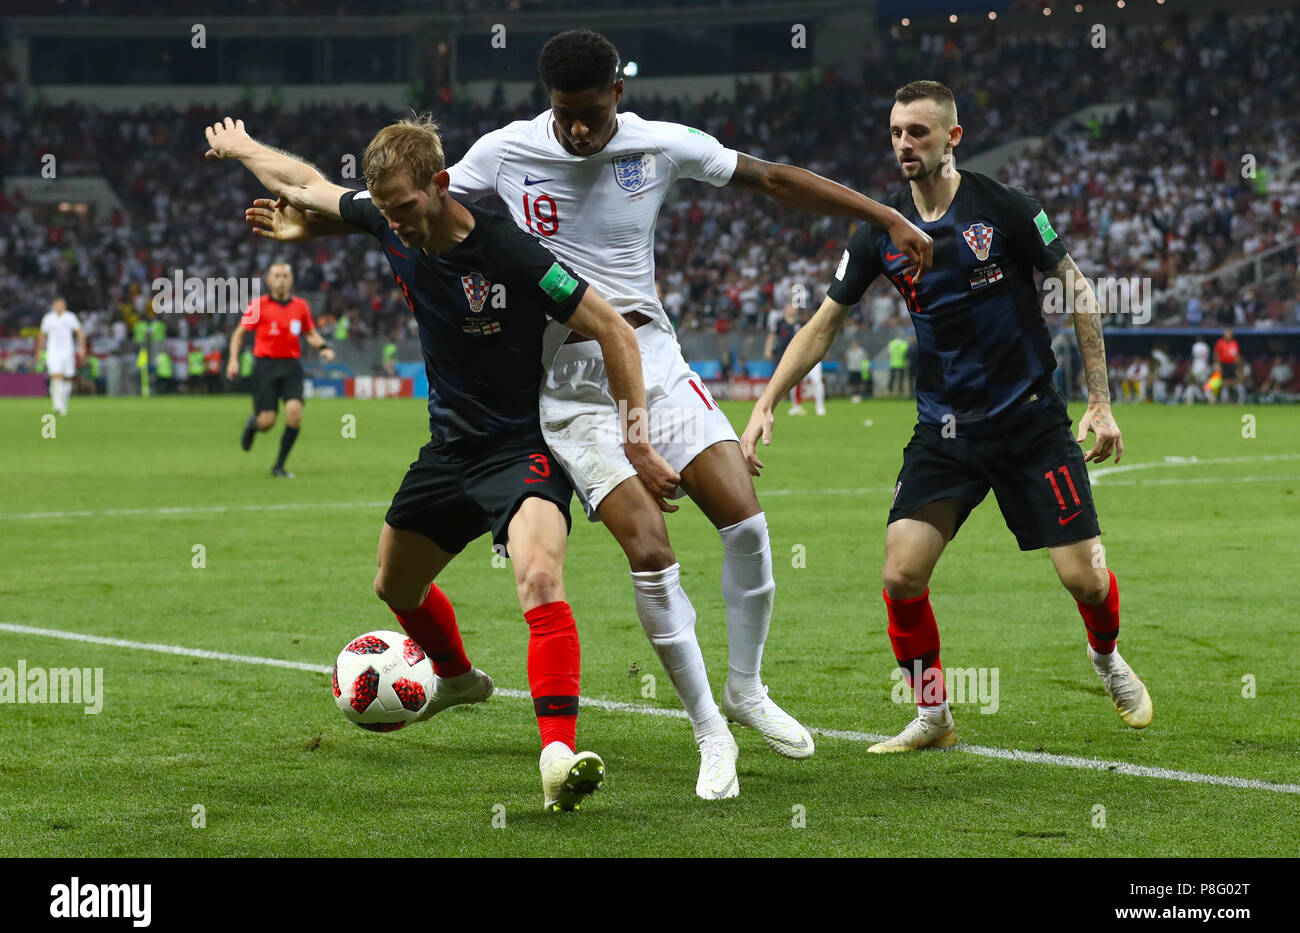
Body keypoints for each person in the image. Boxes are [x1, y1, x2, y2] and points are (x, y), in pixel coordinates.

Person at [245, 30, 934, 798]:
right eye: (563, 114)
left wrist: (886, 217)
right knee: (649, 544)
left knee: (744, 516)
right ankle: (709, 729)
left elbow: (772, 179)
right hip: (568, 385)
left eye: (589, 113)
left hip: (653, 357)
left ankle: (746, 687)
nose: (575, 130)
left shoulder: (660, 144)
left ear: (618, 94)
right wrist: (304, 210)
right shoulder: (503, 152)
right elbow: (406, 207)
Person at [207, 113, 672, 812]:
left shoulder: (511, 253)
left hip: (522, 448)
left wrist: (636, 436)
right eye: (382, 209)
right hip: (448, 448)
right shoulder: (389, 218)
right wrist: (243, 149)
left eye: (401, 207)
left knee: (540, 577)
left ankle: (556, 755)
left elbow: (611, 328)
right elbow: (305, 185)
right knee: (396, 584)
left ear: (439, 183)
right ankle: (456, 677)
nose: (391, 222)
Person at [742, 80, 1152, 752]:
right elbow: (825, 323)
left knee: (1085, 576)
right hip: (945, 431)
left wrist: (1100, 402)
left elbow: (1078, 291)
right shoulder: (881, 229)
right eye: (898, 131)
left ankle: (1106, 656)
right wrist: (766, 400)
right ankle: (933, 715)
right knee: (901, 574)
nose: (905, 144)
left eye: (919, 132)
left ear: (952, 137)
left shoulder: (1007, 208)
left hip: (1029, 424)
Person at [225, 262, 336, 477]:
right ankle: (252, 425)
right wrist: (233, 360)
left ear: (291, 280)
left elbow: (310, 332)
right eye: (277, 276)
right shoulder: (258, 305)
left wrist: (323, 347)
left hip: (291, 366)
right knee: (267, 422)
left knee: (294, 415)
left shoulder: (301, 306)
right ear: (269, 280)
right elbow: (239, 334)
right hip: (265, 366)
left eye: (285, 275)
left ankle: (279, 466)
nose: (281, 280)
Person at [766, 303, 824, 415]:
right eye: (789, 307)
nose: (792, 309)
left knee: (817, 381)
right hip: (792, 358)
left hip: (809, 356)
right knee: (793, 383)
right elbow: (772, 336)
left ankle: (820, 407)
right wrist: (768, 349)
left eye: (793, 307)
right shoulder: (780, 323)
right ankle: (796, 406)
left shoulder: (802, 323)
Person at [36, 296, 85, 416]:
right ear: (53, 305)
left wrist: (82, 348)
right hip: (53, 351)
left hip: (68, 351)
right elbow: (42, 335)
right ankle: (57, 403)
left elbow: (79, 333)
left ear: (65, 305)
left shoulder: (70, 317)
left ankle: (63, 403)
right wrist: (38, 350)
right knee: (56, 375)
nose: (59, 306)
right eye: (57, 304)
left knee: (67, 377)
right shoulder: (48, 318)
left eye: (61, 304)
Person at [1214, 327, 1244, 405]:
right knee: (1224, 383)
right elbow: (1216, 354)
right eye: (1226, 333)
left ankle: (1240, 400)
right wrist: (1217, 365)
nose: (1227, 335)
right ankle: (1224, 401)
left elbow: (1237, 356)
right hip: (1223, 365)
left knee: (1235, 382)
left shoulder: (1234, 343)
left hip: (1232, 365)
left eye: (1229, 333)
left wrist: (1239, 366)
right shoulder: (1220, 343)